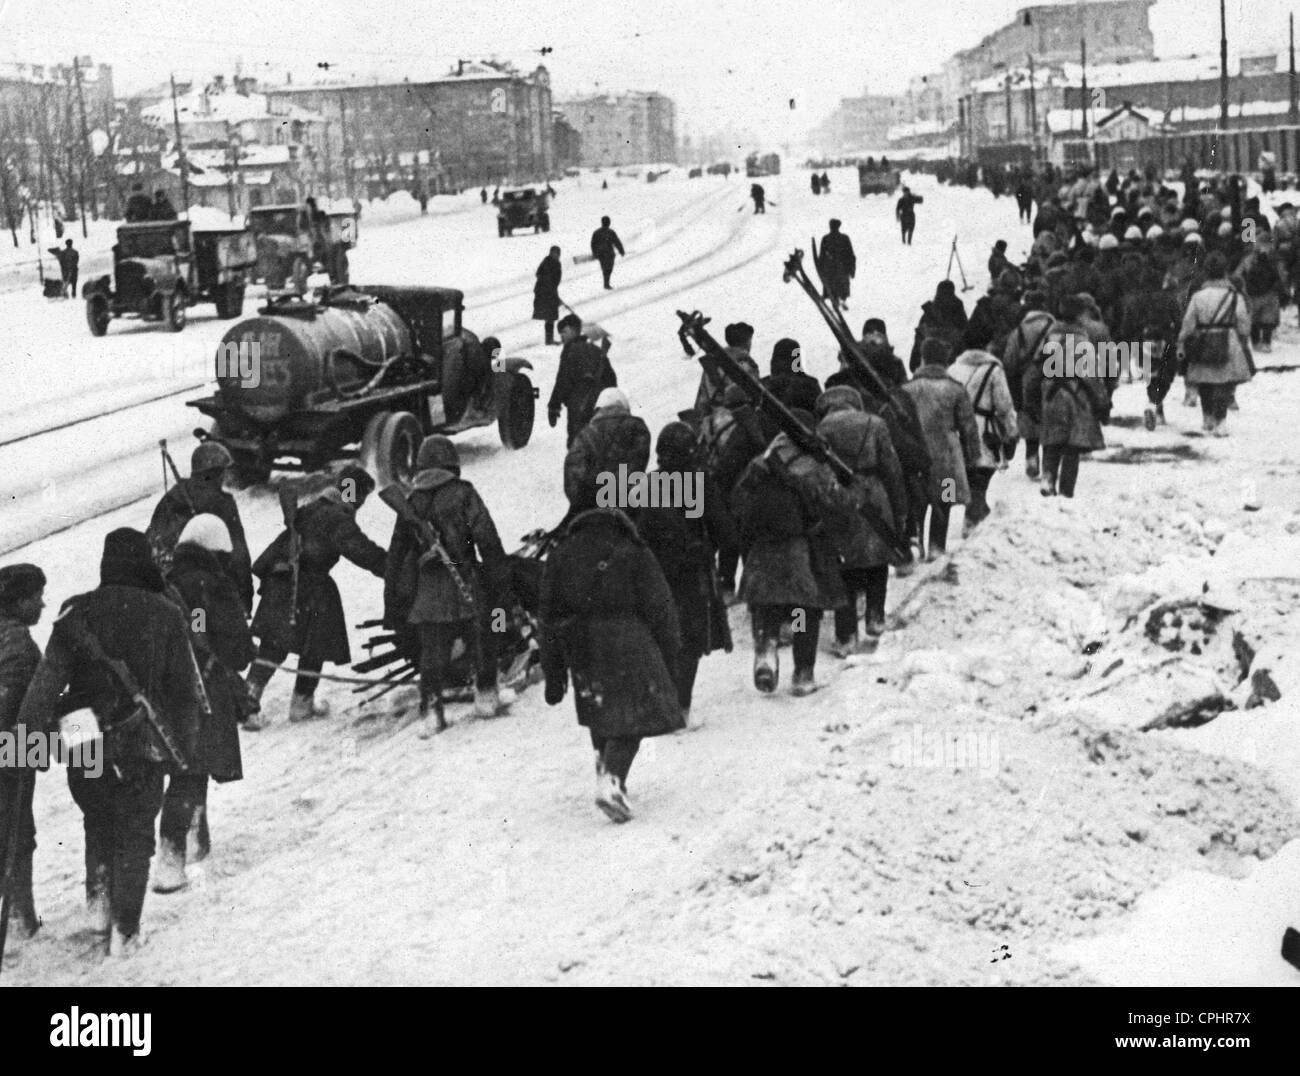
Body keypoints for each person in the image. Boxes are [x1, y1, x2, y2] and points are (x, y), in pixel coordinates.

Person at [17, 529, 206, 957]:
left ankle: (98, 920)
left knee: (97, 826)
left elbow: (39, 696)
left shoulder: (74, 613)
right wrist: (184, 757)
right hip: (141, 742)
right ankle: (126, 932)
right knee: (136, 834)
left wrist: (23, 754)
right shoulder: (166, 613)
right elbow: (185, 694)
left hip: (84, 743)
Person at [540, 507, 682, 823]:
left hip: (580, 643)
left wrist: (553, 672)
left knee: (599, 707)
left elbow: (547, 617)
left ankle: (606, 770)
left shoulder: (560, 554)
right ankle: (613, 778)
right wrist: (671, 654)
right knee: (639, 710)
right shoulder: (632, 549)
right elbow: (661, 607)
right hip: (627, 638)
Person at [731, 409, 865, 695]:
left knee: (766, 606)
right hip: (799, 550)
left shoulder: (762, 461)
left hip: (762, 550)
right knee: (803, 610)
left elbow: (738, 501)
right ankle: (803, 673)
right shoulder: (815, 465)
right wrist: (856, 490)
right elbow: (839, 503)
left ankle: (766, 649)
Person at [153, 515, 254, 894]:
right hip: (203, 688)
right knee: (193, 771)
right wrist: (226, 650)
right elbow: (199, 628)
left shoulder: (167, 579)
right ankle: (173, 857)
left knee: (190, 768)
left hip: (170, 688)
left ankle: (196, 843)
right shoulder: (204, 585)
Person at [384, 436, 510, 734]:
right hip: (464, 576)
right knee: (483, 635)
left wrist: (392, 600)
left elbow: (395, 556)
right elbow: (488, 540)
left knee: (433, 652)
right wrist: (500, 585)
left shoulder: (412, 502)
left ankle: (432, 712)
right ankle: (486, 697)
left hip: (428, 589)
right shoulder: (463, 493)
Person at [245, 467, 388, 724]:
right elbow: (362, 551)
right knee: (316, 645)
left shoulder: (309, 509)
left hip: (283, 582)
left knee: (272, 645)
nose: (361, 504)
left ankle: (247, 703)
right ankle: (301, 704)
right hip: (313, 587)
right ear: (354, 493)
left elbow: (275, 549)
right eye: (363, 498)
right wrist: (394, 568)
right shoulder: (338, 517)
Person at [635, 422, 735, 728]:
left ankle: (659, 705)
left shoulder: (646, 485)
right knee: (690, 642)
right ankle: (680, 708)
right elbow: (727, 534)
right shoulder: (699, 483)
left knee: (658, 637)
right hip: (691, 575)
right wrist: (715, 559)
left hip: (653, 576)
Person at [815, 389, 906, 656]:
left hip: (839, 496)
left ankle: (846, 635)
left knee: (845, 566)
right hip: (874, 494)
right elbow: (891, 467)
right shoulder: (875, 423)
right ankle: (876, 617)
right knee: (878, 556)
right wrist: (900, 507)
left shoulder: (820, 429)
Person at [147, 442, 253, 612]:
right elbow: (238, 555)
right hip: (204, 593)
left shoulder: (174, 495)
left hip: (169, 589)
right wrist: (245, 597)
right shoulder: (222, 504)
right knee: (203, 631)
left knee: (189, 632)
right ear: (216, 473)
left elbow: (152, 538)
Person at [900, 337, 980, 556]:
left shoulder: (906, 389)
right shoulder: (955, 389)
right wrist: (973, 456)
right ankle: (937, 545)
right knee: (944, 501)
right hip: (947, 458)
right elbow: (968, 426)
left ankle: (916, 543)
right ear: (946, 361)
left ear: (923, 358)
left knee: (918, 500)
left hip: (914, 456)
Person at [0, 564, 45, 942]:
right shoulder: (16, 643)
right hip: (10, 753)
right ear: (18, 601)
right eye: (36, 595)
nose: (42, 603)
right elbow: (14, 704)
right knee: (16, 831)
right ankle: (18, 918)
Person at [1029, 294, 1111, 496]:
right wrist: (1103, 402)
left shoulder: (1049, 336)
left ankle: (1048, 478)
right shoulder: (1082, 340)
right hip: (1075, 394)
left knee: (1051, 440)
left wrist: (1031, 397)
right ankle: (1066, 492)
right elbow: (1091, 375)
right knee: (1072, 446)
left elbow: (1036, 368)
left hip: (1050, 392)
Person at [1178, 251, 1254, 437]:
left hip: (1202, 340)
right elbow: (1243, 323)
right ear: (1224, 272)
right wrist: (1242, 337)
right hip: (1227, 339)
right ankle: (1221, 422)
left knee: (1204, 381)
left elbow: (1188, 323)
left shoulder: (1198, 296)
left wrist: (1182, 340)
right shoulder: (1234, 296)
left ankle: (1207, 418)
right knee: (1223, 382)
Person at [946, 348, 1019, 528]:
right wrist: (1012, 431)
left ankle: (974, 513)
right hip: (982, 428)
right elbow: (1004, 406)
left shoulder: (954, 368)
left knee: (967, 472)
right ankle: (973, 518)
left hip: (957, 428)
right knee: (981, 473)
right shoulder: (994, 370)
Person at [563, 388, 651, 515]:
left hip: (590, 512)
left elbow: (573, 478)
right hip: (627, 507)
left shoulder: (585, 434)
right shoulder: (637, 428)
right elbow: (637, 466)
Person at [1002, 290, 1056, 477]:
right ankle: (1050, 465)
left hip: (1028, 379)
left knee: (1030, 417)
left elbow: (1009, 361)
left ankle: (1031, 457)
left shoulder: (1019, 331)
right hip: (1054, 379)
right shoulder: (1055, 327)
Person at [548, 313, 618, 447]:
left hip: (578, 406)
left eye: (564, 332)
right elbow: (611, 379)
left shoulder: (570, 351)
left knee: (577, 445)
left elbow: (563, 380)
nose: (561, 337)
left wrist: (554, 406)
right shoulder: (596, 350)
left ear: (574, 330)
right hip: (600, 405)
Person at [694, 321, 760, 415]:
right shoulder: (745, 364)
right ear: (747, 342)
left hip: (715, 420)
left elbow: (702, 403)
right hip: (739, 418)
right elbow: (755, 396)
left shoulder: (711, 365)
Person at [817, 219, 856, 307]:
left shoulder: (844, 238)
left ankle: (842, 302)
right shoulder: (826, 238)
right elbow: (822, 255)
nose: (832, 228)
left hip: (842, 268)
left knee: (842, 289)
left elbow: (850, 255)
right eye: (831, 225)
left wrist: (851, 269)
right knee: (831, 288)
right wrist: (820, 268)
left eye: (834, 226)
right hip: (830, 269)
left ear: (838, 227)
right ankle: (834, 302)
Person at [533, 246, 563, 346]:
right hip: (544, 293)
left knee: (550, 317)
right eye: (554, 253)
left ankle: (549, 339)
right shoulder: (547, 262)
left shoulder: (556, 263)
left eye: (557, 253)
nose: (556, 255)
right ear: (550, 253)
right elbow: (538, 274)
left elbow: (554, 281)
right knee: (550, 316)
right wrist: (548, 287)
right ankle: (549, 340)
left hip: (549, 292)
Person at [590, 216, 625, 289]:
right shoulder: (610, 232)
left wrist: (595, 253)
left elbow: (593, 244)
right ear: (609, 222)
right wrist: (621, 250)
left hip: (601, 254)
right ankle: (606, 284)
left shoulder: (596, 232)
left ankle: (606, 284)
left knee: (605, 268)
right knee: (609, 269)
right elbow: (616, 242)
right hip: (609, 254)